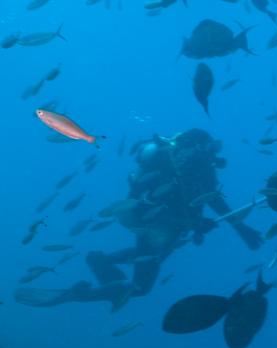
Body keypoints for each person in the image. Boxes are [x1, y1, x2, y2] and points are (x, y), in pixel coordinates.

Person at [16, 129, 261, 310]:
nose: (212, 154)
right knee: (141, 287)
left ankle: (101, 261)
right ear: (194, 147)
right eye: (208, 148)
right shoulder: (168, 168)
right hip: (154, 225)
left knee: (148, 260)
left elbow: (213, 198)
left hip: (172, 228)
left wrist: (242, 228)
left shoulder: (203, 168)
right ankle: (76, 294)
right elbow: (147, 208)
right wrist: (192, 224)